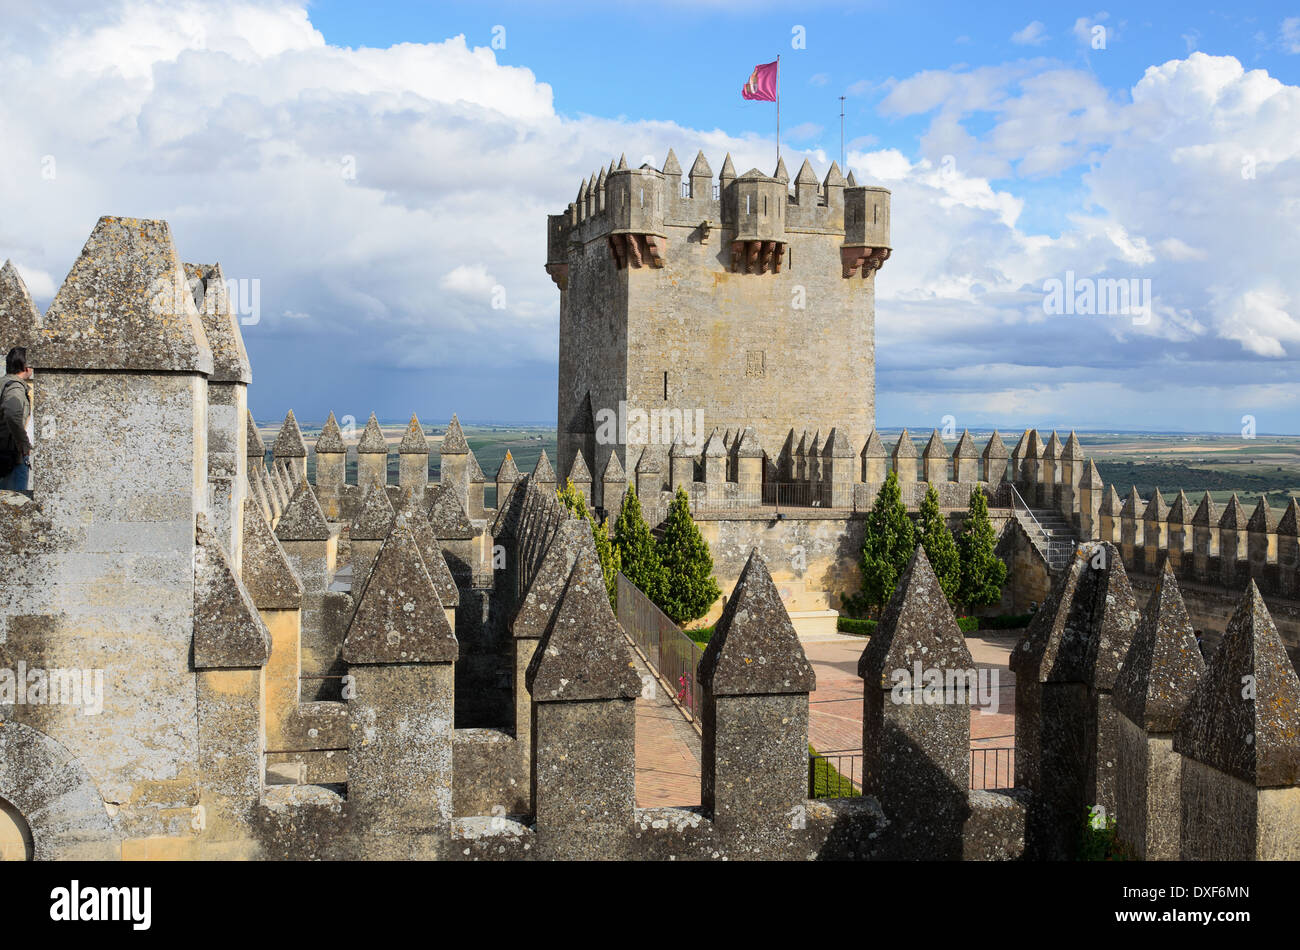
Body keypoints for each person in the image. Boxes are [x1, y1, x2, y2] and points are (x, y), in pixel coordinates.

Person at [0, 347, 33, 491]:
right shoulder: (16, 388)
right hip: (11, 457)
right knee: (16, 503)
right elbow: (12, 414)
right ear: (26, 367)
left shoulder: (3, 383)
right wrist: (24, 443)